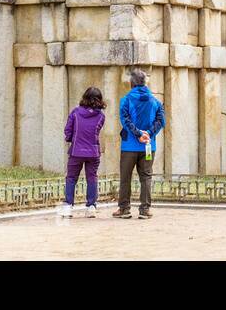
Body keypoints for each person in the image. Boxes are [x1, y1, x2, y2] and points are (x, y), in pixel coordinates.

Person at [114, 68, 165, 220]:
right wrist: (148, 134)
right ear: (145, 82)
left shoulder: (126, 100)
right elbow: (161, 121)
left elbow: (125, 120)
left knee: (125, 177)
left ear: (131, 83)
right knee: (146, 177)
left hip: (129, 146)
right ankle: (145, 210)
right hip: (149, 145)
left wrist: (138, 134)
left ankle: (124, 209)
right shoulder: (155, 101)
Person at [61, 87, 106, 218]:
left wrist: (71, 139)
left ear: (84, 97)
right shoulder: (101, 116)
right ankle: (91, 207)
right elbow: (96, 131)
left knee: (71, 178)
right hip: (93, 152)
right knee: (92, 178)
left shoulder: (75, 112)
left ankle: (68, 207)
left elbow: (68, 131)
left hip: (76, 151)